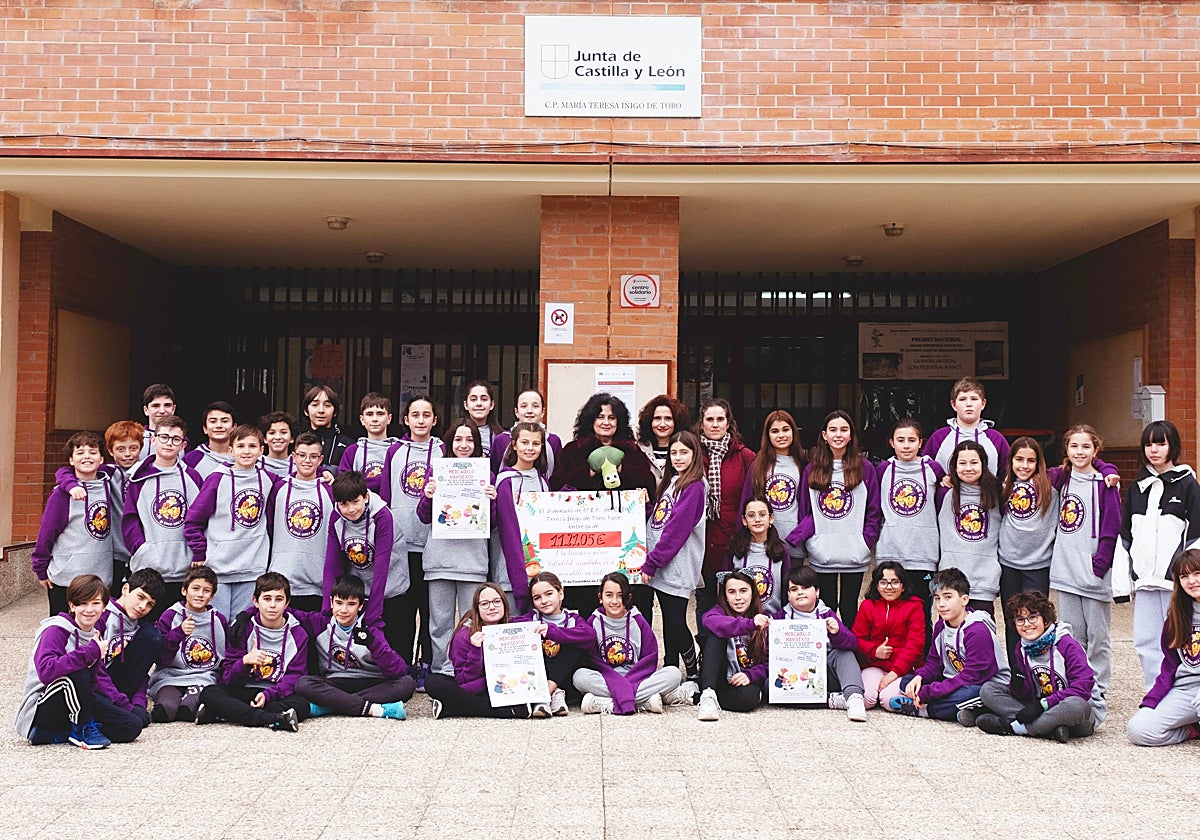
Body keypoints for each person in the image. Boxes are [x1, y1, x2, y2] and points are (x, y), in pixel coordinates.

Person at [551, 393, 657, 615]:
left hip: (620, 541)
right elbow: (557, 484)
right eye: (600, 417)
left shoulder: (632, 450)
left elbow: (648, 484)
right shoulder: (573, 450)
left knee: (624, 598)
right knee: (585, 601)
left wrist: (621, 470)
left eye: (611, 417)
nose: (606, 422)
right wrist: (588, 472)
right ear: (591, 420)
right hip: (583, 543)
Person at [14, 574, 145, 749]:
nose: (89, 609)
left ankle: (57, 734)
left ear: (105, 607)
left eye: (95, 603)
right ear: (72, 606)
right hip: (44, 706)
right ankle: (80, 729)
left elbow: (99, 676)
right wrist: (90, 652)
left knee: (131, 726)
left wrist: (125, 706)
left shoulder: (95, 633)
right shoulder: (55, 630)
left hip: (79, 700)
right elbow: (46, 672)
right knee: (78, 670)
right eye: (83, 603)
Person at [1117, 420, 1200, 689]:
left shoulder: (1188, 484)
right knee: (1145, 641)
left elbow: (1196, 536)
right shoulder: (1138, 486)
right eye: (1149, 444)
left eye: (1160, 443)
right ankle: (1155, 693)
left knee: (1180, 640)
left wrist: (1188, 578)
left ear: (1172, 446)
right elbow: (1126, 536)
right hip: (1145, 583)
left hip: (1175, 584)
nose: (1154, 449)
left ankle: (1184, 695)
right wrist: (1122, 583)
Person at [1048, 423, 1121, 724]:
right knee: (1072, 634)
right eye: (1074, 446)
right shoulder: (1060, 478)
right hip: (1066, 568)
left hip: (1093, 569)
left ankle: (1098, 690)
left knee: (1098, 636)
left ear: (1095, 449)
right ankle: (1077, 685)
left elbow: (1112, 523)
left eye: (1086, 447)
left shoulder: (1105, 482)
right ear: (1066, 450)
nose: (1080, 452)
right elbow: (1030, 476)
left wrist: (1101, 562)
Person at [419, 419, 496, 675]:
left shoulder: (487, 476)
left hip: (472, 561)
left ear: (477, 444)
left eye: (469, 440)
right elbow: (423, 516)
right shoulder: (437, 474)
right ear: (449, 443)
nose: (464, 445)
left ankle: (468, 670)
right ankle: (442, 671)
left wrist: (491, 501)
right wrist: (429, 497)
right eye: (458, 440)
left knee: (472, 621)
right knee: (439, 623)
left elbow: (493, 523)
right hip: (439, 560)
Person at [184, 423, 282, 618]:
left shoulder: (270, 480)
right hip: (218, 568)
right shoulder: (216, 479)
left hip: (252, 568)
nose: (246, 451)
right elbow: (193, 521)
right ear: (231, 450)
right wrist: (199, 552)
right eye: (241, 446)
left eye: (252, 446)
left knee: (241, 625)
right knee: (215, 622)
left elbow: (297, 483)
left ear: (262, 450)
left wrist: (324, 475)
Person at [888, 567, 1009, 724]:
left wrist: (930, 693)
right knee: (908, 682)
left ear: (964, 600)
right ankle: (962, 711)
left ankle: (925, 710)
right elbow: (933, 664)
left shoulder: (977, 631)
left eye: (947, 597)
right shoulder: (940, 627)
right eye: (937, 598)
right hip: (953, 681)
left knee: (970, 694)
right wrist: (920, 677)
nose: (941, 604)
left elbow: (972, 677)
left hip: (986, 686)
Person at [976, 589, 1099, 742]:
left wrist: (1043, 705)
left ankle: (1015, 727)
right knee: (988, 690)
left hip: (1078, 712)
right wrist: (1018, 686)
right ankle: (1049, 728)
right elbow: (1028, 695)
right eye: (1020, 620)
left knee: (1074, 705)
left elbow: (1082, 689)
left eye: (1032, 617)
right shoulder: (1022, 648)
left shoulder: (1067, 644)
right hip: (1041, 706)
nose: (1027, 624)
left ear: (1046, 619)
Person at [796, 409, 882, 627]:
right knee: (826, 607)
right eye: (833, 430)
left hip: (855, 551)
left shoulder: (865, 468)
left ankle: (851, 655)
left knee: (850, 607)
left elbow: (873, 510)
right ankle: (827, 656)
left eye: (844, 430)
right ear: (824, 435)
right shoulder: (812, 469)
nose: (838, 435)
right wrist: (811, 542)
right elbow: (806, 510)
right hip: (822, 552)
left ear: (851, 435)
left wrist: (866, 542)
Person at [379, 395, 443, 687]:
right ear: (405, 420)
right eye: (414, 415)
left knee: (429, 608)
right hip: (401, 544)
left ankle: (428, 663)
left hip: (431, 541)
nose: (420, 420)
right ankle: (403, 662)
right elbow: (384, 495)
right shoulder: (394, 451)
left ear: (434, 420)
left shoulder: (443, 450)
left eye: (426, 415)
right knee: (403, 609)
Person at [195, 571, 308, 732]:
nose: (273, 605)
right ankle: (270, 719)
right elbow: (228, 678)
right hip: (244, 689)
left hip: (274, 693)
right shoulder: (243, 628)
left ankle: (226, 714)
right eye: (267, 599)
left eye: (279, 599)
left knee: (302, 705)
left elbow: (295, 676)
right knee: (209, 693)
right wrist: (244, 662)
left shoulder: (298, 634)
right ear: (255, 601)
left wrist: (269, 694)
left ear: (287, 603)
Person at [293, 575, 414, 720]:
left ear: (360, 605)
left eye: (351, 604)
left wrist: (373, 644)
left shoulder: (371, 629)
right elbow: (285, 613)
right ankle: (372, 709)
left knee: (407, 684)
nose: (343, 610)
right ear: (331, 602)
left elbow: (398, 669)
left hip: (371, 682)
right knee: (303, 683)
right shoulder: (320, 623)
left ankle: (331, 706)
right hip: (336, 682)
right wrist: (257, 608)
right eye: (339, 603)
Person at [123, 414, 204, 621]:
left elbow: (202, 519)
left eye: (176, 439)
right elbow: (130, 519)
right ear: (153, 439)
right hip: (149, 568)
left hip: (183, 570)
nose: (170, 443)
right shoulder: (138, 478)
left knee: (177, 630)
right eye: (165, 437)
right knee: (146, 628)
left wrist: (195, 552)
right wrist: (142, 548)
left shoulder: (193, 477)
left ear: (183, 444)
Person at [573, 572, 689, 715]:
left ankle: (608, 703)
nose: (615, 601)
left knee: (674, 673)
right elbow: (592, 659)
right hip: (607, 677)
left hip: (637, 677)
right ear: (600, 598)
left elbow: (649, 657)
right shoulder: (593, 622)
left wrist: (626, 682)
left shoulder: (638, 621)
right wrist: (617, 682)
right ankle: (643, 702)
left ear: (628, 598)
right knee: (579, 677)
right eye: (609, 595)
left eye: (620, 595)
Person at [642, 430, 707, 683]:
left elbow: (676, 529)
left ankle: (692, 671)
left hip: (676, 567)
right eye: (674, 453)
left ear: (695, 455)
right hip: (663, 566)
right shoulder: (674, 481)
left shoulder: (694, 487)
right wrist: (648, 506)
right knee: (669, 622)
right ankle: (671, 668)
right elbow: (662, 518)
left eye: (684, 452)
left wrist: (652, 562)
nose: (678, 458)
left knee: (676, 621)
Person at [33, 431, 115, 617]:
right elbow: (46, 533)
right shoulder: (61, 494)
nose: (87, 456)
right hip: (66, 579)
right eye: (80, 452)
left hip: (100, 577)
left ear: (102, 458)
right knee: (62, 631)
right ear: (71, 460)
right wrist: (40, 568)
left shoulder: (110, 486)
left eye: (93, 452)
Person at [875, 418, 943, 641]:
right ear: (891, 442)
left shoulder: (933, 469)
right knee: (891, 615)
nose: (906, 445)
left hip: (923, 554)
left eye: (911, 440)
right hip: (891, 553)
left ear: (921, 442)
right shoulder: (883, 470)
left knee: (922, 614)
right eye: (900, 440)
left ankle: (924, 664)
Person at [424, 583, 533, 719]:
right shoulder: (464, 635)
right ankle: (505, 711)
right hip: (476, 687)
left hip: (503, 686)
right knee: (434, 682)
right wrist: (475, 650)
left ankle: (450, 708)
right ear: (477, 608)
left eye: (497, 602)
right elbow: (464, 680)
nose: (492, 607)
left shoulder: (512, 627)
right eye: (485, 604)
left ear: (505, 604)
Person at [774, 566, 868, 722]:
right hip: (795, 676)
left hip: (826, 672)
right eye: (794, 589)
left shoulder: (827, 614)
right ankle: (831, 700)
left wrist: (837, 632)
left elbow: (853, 644)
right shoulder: (779, 618)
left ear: (817, 591)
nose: (800, 592)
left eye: (805, 587)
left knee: (845, 654)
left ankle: (854, 698)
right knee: (771, 686)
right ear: (788, 595)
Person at [1127, 549, 1200, 746]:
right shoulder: (1177, 617)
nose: (1192, 581)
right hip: (1185, 689)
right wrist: (1153, 700)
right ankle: (1192, 730)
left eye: (1197, 574)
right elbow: (1169, 666)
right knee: (1138, 730)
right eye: (1184, 576)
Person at [694, 398, 756, 624]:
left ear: (728, 423)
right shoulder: (692, 455)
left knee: (736, 601)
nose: (715, 424)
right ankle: (706, 653)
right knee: (705, 600)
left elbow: (754, 498)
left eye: (720, 419)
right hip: (703, 541)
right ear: (701, 423)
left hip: (735, 540)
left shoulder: (745, 456)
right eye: (709, 419)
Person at [997, 436, 1058, 661]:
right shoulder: (1003, 487)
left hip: (1038, 564)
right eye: (1019, 459)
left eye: (1030, 460)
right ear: (1011, 461)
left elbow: (1083, 464)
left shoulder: (1052, 485)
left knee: (1036, 620)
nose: (1024, 465)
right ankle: (1017, 673)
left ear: (1038, 462)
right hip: (1008, 563)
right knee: (1013, 620)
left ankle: (1039, 670)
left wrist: (1107, 468)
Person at [323, 470, 405, 635]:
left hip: (392, 588)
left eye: (355, 502)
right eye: (344, 504)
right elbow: (332, 564)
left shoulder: (383, 517)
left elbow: (382, 568)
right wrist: (326, 610)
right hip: (359, 591)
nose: (350, 509)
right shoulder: (336, 517)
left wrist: (373, 616)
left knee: (391, 647)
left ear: (366, 497)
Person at [265, 431, 334, 612]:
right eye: (302, 455)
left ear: (320, 459)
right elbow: (270, 525)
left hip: (316, 584)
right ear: (293, 457)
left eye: (313, 457)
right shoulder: (279, 488)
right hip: (282, 581)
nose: (307, 461)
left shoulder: (330, 490)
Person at [149, 565, 227, 723]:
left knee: (188, 710)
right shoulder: (170, 615)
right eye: (195, 588)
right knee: (165, 710)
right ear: (184, 591)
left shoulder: (219, 619)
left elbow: (226, 654)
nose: (200, 594)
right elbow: (160, 657)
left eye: (206, 590)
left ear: (211, 596)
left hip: (203, 677)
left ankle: (192, 701)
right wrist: (178, 633)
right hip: (170, 676)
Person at [514, 572, 594, 717]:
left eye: (549, 594)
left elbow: (590, 636)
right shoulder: (531, 618)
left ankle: (545, 694)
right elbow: (510, 628)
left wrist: (554, 632)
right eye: (537, 598)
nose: (544, 601)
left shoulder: (572, 619)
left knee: (574, 645)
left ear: (561, 593)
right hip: (536, 679)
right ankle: (549, 697)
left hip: (566, 682)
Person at [938, 440, 1002, 619]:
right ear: (954, 466)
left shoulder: (997, 494)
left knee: (982, 634)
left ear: (983, 464)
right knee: (950, 635)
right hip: (951, 579)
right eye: (962, 463)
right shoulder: (944, 494)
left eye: (974, 462)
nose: (968, 468)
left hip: (984, 578)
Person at [742, 409, 809, 580]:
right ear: (767, 435)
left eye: (785, 429)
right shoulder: (758, 465)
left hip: (794, 541)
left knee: (791, 589)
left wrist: (800, 535)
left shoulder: (803, 464)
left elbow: (809, 507)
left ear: (794, 432)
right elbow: (746, 501)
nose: (781, 435)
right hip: (763, 541)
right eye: (775, 431)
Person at [696, 570, 770, 720]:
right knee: (717, 633)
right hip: (720, 677)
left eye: (743, 591)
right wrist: (750, 624)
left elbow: (773, 662)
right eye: (731, 592)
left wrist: (751, 675)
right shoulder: (717, 612)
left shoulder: (765, 619)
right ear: (725, 596)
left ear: (753, 593)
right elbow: (708, 621)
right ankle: (708, 695)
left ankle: (694, 696)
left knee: (750, 698)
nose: (738, 598)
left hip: (746, 679)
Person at [852, 561, 927, 710]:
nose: (889, 587)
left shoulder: (915, 606)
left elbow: (915, 645)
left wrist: (894, 673)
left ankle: (918, 704)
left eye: (894, 582)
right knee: (867, 699)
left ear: (903, 585)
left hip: (903, 667)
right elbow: (857, 639)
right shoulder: (867, 606)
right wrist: (874, 651)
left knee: (888, 700)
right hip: (874, 664)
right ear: (877, 585)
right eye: (884, 582)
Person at [494, 421, 551, 613]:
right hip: (510, 572)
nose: (530, 448)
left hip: (540, 572)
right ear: (514, 444)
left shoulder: (543, 481)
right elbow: (508, 531)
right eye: (525, 442)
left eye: (536, 444)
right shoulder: (505, 481)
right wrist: (519, 579)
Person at [95, 567, 165, 722]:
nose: (142, 607)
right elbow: (92, 669)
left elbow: (141, 672)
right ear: (125, 589)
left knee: (152, 635)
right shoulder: (100, 615)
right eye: (140, 597)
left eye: (149, 604)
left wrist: (139, 704)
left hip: (120, 689)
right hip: (96, 684)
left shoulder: (139, 627)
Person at [922, 376, 1010, 479]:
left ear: (983, 404)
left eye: (974, 399)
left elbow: (1008, 476)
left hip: (987, 495)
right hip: (949, 495)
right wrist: (941, 479)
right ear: (953, 404)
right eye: (962, 399)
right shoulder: (939, 438)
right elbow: (924, 471)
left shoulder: (996, 439)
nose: (968, 404)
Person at [724, 498, 789, 616]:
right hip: (741, 622)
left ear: (771, 518)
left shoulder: (781, 550)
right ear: (744, 520)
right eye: (751, 515)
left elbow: (786, 589)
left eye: (762, 514)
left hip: (773, 620)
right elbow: (725, 587)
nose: (757, 519)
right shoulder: (733, 549)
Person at [491, 388, 564, 477]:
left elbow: (558, 477)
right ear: (516, 412)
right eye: (524, 406)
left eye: (535, 406)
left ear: (543, 412)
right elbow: (493, 474)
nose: (529, 411)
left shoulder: (553, 441)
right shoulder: (501, 440)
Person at [338, 392, 399, 494]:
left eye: (380, 414)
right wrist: (385, 480)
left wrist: (361, 483)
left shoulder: (399, 450)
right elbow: (344, 485)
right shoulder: (352, 451)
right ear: (362, 419)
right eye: (369, 414)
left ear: (389, 418)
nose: (375, 419)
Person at [636, 394, 690, 484]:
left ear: (676, 421)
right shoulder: (638, 450)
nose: (662, 424)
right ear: (649, 421)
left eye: (668, 419)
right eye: (657, 418)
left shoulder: (687, 449)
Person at [301, 384, 353, 474]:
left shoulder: (348, 445)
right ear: (306, 411)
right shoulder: (297, 442)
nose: (321, 410)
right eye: (315, 405)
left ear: (335, 412)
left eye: (327, 405)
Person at [183, 400, 237, 479]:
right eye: (213, 421)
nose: (219, 425)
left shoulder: (245, 456)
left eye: (225, 421)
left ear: (234, 427)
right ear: (205, 428)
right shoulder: (192, 459)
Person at [462, 379, 504, 458]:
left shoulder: (501, 437)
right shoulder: (456, 434)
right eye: (473, 399)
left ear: (491, 404)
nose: (479, 404)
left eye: (484, 399)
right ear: (466, 405)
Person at [139, 383, 179, 461]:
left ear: (173, 409)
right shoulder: (136, 437)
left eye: (167, 405)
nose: (162, 411)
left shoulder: (181, 438)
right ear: (146, 410)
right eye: (155, 406)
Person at [258, 410, 297, 478]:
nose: (277, 437)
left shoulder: (299, 466)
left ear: (292, 438)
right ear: (264, 438)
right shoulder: (255, 465)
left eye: (283, 432)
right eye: (272, 433)